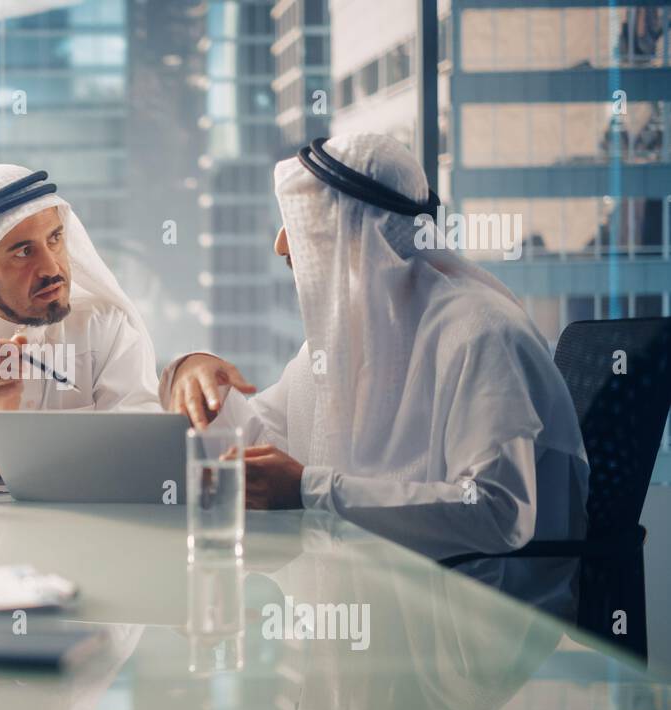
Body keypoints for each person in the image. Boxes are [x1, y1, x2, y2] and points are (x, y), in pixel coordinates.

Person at [163, 133, 589, 558]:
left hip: (483, 611)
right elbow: (261, 444)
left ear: (364, 237)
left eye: (301, 225)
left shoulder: (482, 333)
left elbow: (499, 512)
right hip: (384, 592)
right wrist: (194, 372)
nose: (281, 246)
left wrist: (310, 489)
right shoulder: (339, 347)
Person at [0, 164, 248, 487]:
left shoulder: (104, 323)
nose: (51, 268)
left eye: (55, 239)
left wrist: (14, 454)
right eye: (23, 252)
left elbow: (134, 444)